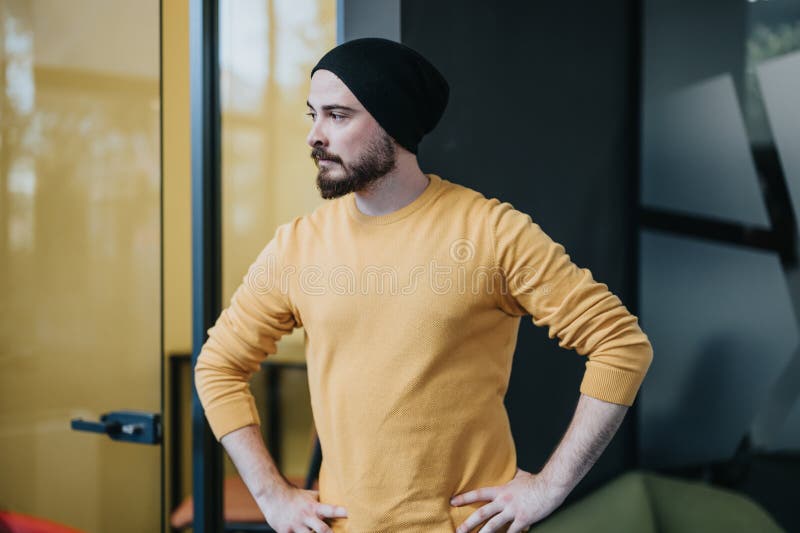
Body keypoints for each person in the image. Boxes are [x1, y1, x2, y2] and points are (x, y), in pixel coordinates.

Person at [195, 37, 653, 533]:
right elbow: (218, 365)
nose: (314, 135)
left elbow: (621, 346)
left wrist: (549, 487)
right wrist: (271, 494)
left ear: (392, 123)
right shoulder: (297, 247)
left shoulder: (492, 232)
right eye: (313, 115)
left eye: (337, 115)